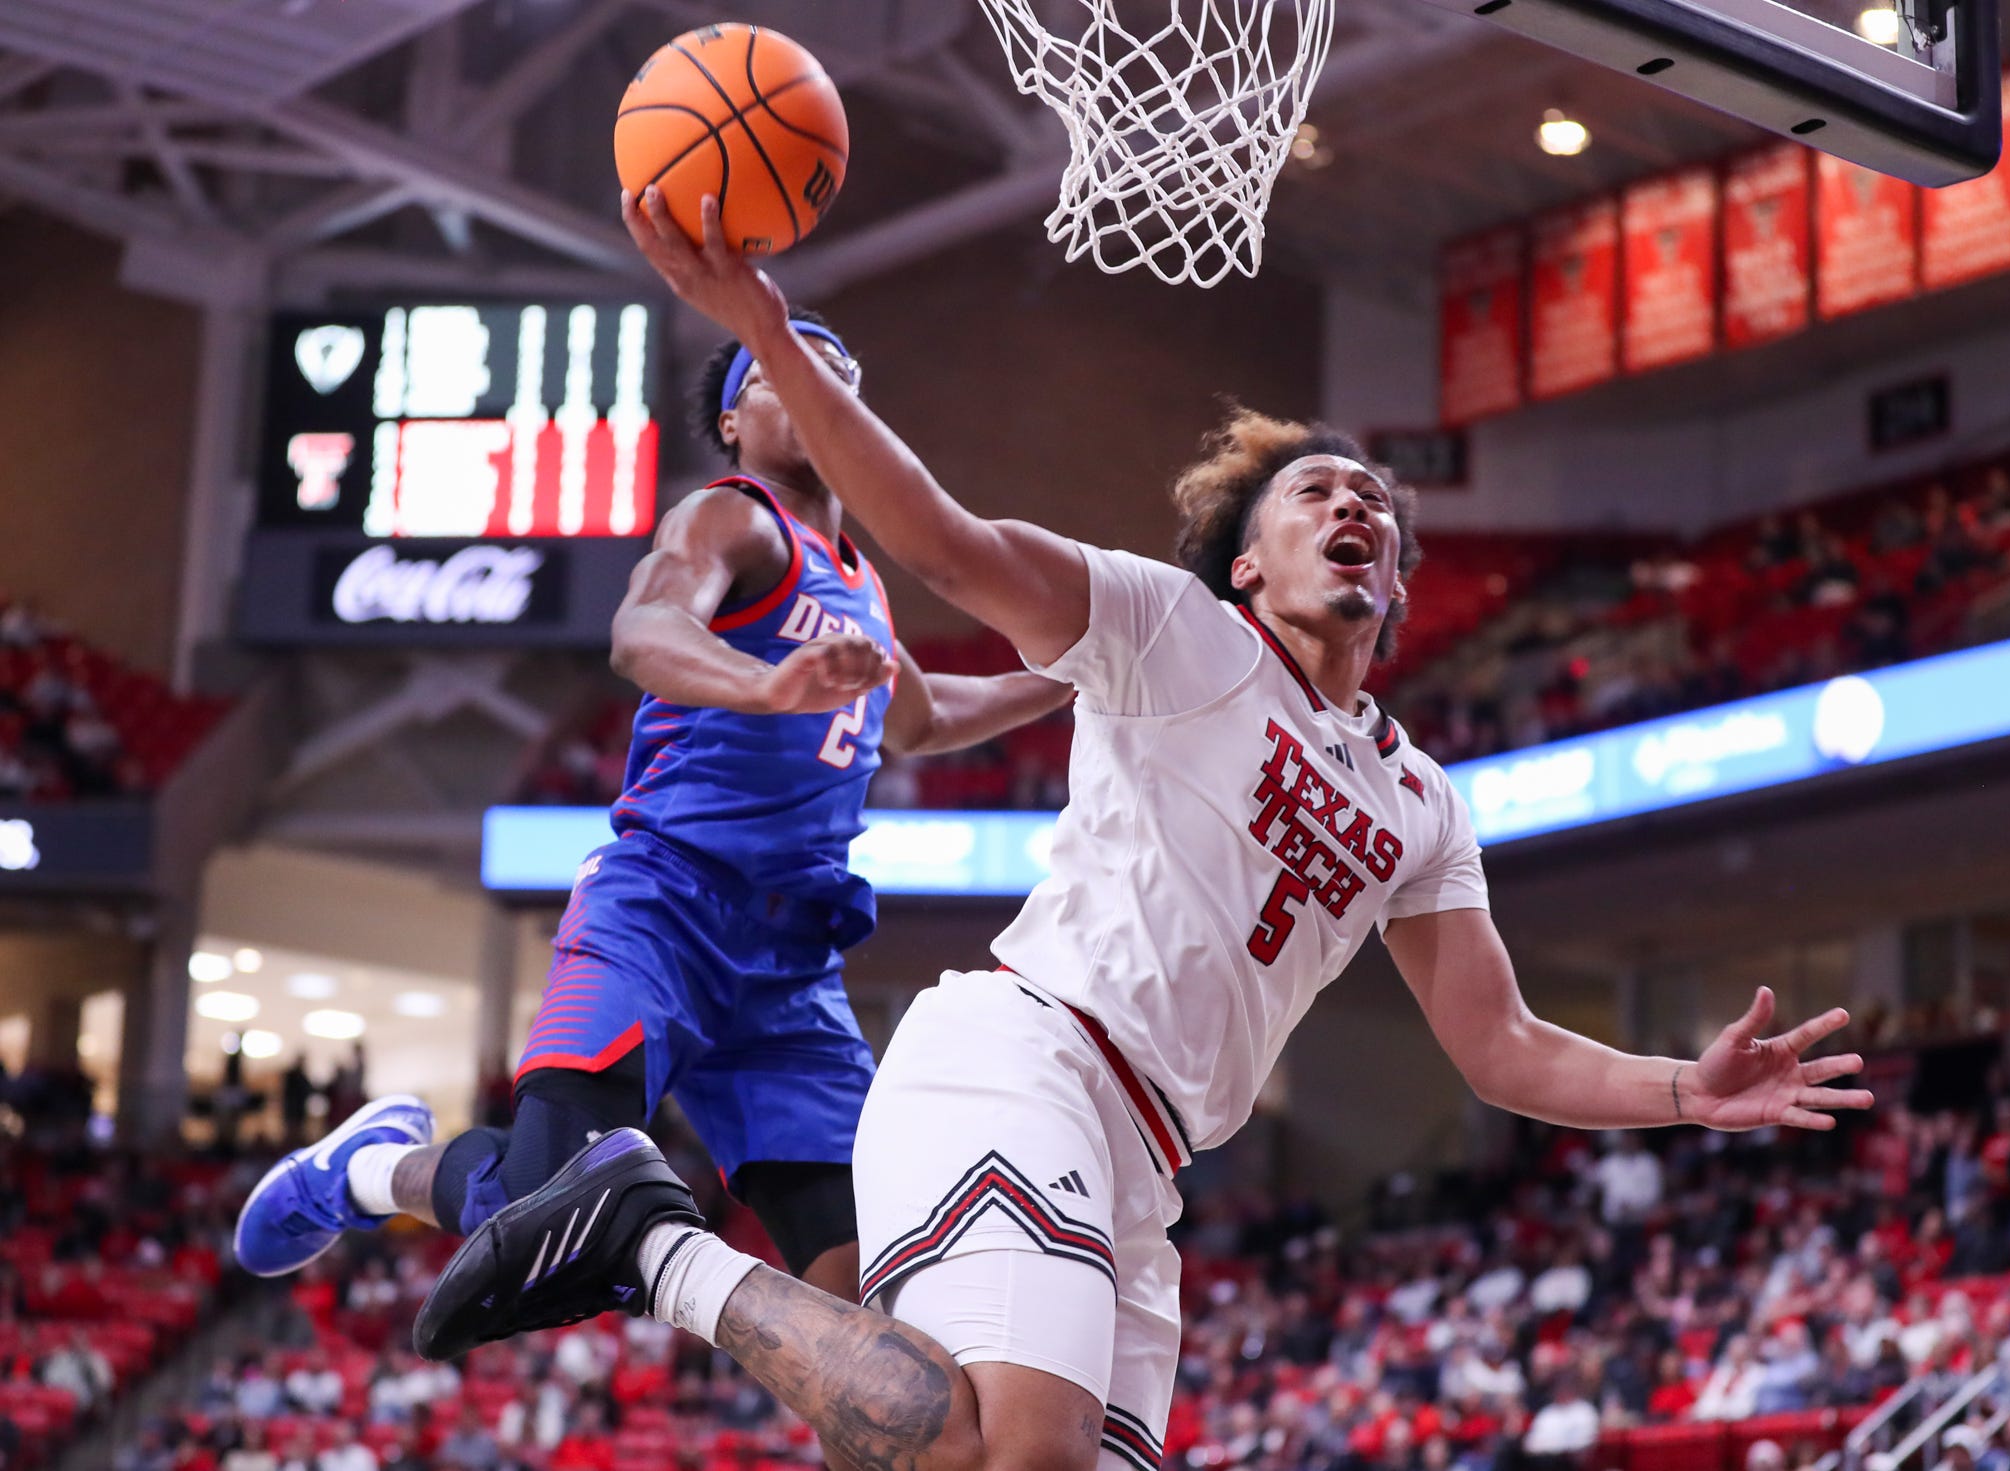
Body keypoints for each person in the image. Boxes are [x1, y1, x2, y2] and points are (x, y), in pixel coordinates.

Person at [409, 191, 1876, 1471]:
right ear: (1250, 557)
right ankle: (650, 1241)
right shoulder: (1177, 629)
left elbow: (1502, 1049)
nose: (1354, 500)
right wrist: (771, 332)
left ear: (1400, 584)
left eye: (1376, 500)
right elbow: (940, 537)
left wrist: (1685, 1086)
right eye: (1316, 490)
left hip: (1147, 1158)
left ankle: (613, 1228)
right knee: (1017, 1446)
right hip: (1023, 1056)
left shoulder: (1422, 799)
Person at [233, 301, 1072, 1313]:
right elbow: (644, 627)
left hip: (792, 961)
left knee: (867, 1288)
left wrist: (1076, 672)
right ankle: (367, 1170)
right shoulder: (728, 517)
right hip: (668, 903)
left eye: (840, 371)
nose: (818, 383)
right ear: (729, 424)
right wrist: (763, 683)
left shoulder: (862, 589)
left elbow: (926, 718)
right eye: (777, 371)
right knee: (549, 1203)